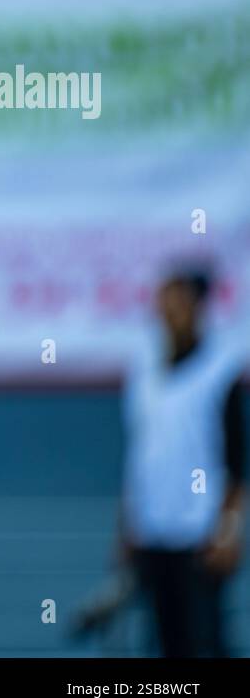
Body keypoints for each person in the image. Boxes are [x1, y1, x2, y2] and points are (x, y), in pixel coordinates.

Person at [119, 268, 245, 657]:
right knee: (163, 642)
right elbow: (139, 453)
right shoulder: (144, 371)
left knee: (206, 642)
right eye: (164, 302)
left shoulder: (221, 371)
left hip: (200, 535)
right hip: (152, 532)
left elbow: (238, 459)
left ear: (198, 307)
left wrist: (229, 530)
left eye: (180, 302)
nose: (171, 311)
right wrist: (126, 523)